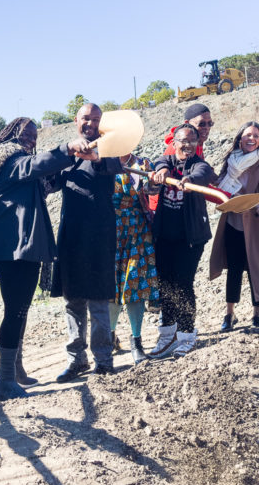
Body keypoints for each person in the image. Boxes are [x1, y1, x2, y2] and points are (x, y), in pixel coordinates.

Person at [0, 117, 96, 400]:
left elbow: (44, 178)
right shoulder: (9, 160)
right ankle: (5, 381)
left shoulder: (19, 167)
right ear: (10, 136)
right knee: (15, 311)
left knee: (18, 310)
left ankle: (14, 370)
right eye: (26, 134)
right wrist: (67, 148)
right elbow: (34, 165)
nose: (31, 140)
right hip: (13, 248)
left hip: (14, 246)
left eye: (34, 136)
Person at [51, 104, 124, 382]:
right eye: (86, 118)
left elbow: (115, 165)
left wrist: (93, 155)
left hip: (100, 237)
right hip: (70, 237)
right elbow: (49, 182)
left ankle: (104, 361)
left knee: (98, 301)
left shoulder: (108, 149)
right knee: (73, 302)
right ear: (76, 120)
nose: (90, 123)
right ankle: (77, 361)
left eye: (95, 119)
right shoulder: (67, 153)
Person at [147, 123, 215, 358]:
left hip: (191, 239)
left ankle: (187, 335)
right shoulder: (164, 163)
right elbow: (159, 162)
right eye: (182, 141)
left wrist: (190, 180)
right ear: (173, 143)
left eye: (191, 141)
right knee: (165, 285)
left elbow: (204, 174)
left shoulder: (200, 165)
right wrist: (162, 172)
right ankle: (167, 334)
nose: (187, 145)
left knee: (183, 284)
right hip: (165, 236)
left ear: (197, 144)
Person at [208, 121, 259, 331]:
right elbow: (221, 182)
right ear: (240, 138)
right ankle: (229, 314)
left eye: (256, 136)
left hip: (256, 225)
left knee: (255, 268)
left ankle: (257, 314)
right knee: (233, 269)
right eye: (248, 135)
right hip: (233, 221)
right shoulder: (231, 160)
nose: (252, 139)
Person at [109, 151, 159, 364]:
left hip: (137, 231)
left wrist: (152, 181)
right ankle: (109, 337)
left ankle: (136, 340)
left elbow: (151, 190)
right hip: (109, 231)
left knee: (134, 285)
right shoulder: (101, 163)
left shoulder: (142, 163)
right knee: (110, 288)